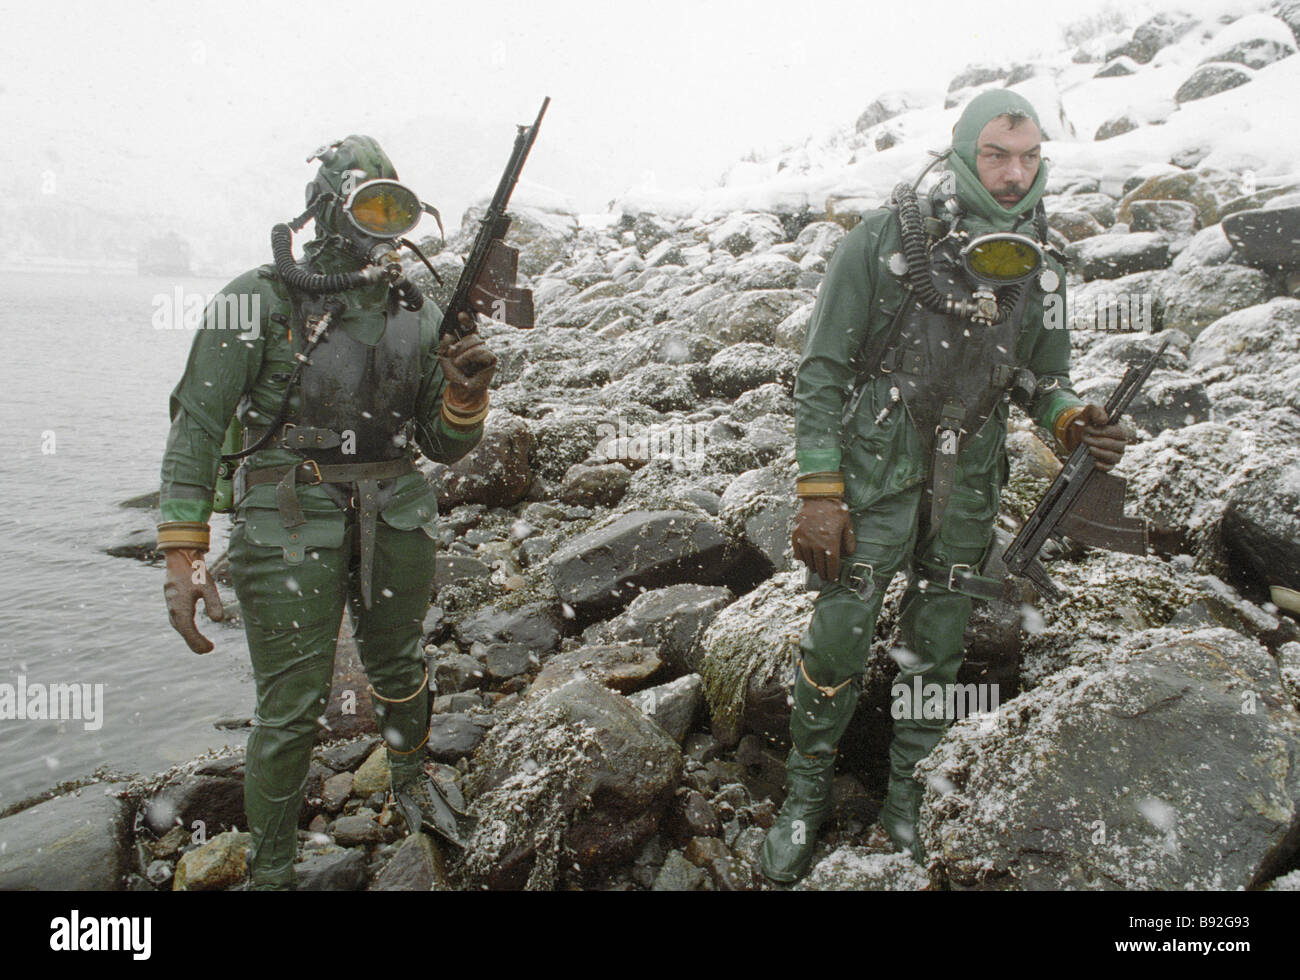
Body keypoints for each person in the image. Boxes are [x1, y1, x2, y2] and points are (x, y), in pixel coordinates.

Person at [760, 90, 1132, 882]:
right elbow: (822, 374)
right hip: (874, 474)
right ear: (965, 152)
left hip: (969, 483)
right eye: (997, 154)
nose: (1012, 173)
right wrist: (819, 493)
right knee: (839, 635)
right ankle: (804, 796)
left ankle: (908, 796)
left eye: (1028, 156)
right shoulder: (882, 242)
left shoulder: (1046, 267)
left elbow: (1043, 375)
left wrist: (1070, 419)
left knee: (937, 651)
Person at [156, 135, 497, 889]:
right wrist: (183, 553)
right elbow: (198, 428)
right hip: (288, 513)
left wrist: (466, 397)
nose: (382, 225)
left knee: (401, 665)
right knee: (290, 707)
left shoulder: (420, 312)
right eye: (368, 205)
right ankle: (274, 871)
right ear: (327, 212)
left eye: (395, 207)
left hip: (396, 506)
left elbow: (441, 446)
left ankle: (410, 782)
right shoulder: (261, 298)